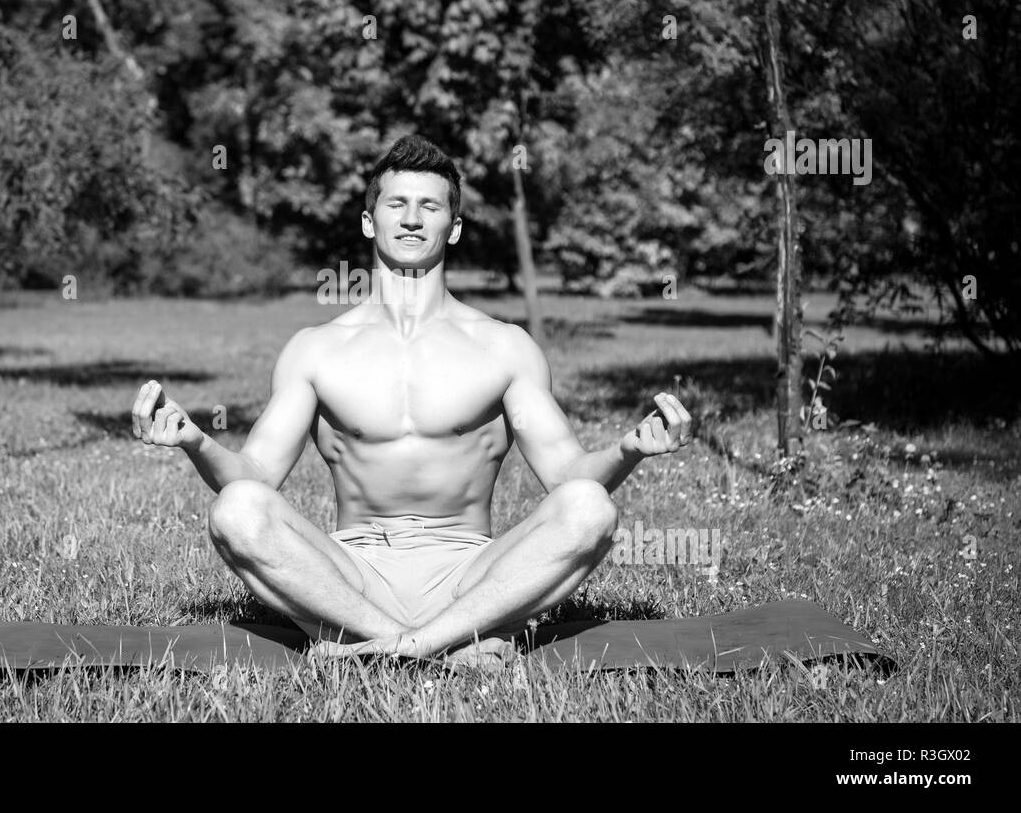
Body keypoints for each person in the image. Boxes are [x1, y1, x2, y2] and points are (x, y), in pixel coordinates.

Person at [131, 135, 692, 664]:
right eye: (397, 203)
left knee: (591, 507)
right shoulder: (316, 350)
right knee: (236, 510)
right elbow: (253, 475)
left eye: (430, 205)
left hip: (471, 573)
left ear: (453, 227)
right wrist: (195, 441)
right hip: (351, 573)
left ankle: (384, 647)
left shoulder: (504, 347)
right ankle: (435, 645)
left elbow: (569, 474)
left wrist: (628, 451)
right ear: (370, 221)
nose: (413, 217)